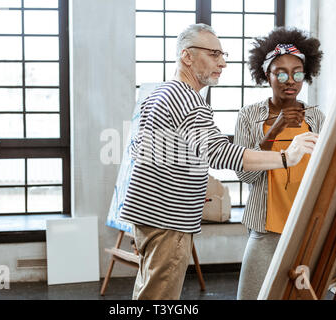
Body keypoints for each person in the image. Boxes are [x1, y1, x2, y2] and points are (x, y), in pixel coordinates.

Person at [119, 24, 319, 300]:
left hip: (147, 218)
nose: (223, 62)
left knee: (147, 293)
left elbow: (145, 153)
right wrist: (287, 157)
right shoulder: (189, 100)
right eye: (214, 54)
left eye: (222, 54)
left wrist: (189, 184)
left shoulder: (157, 93)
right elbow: (221, 152)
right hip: (168, 222)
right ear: (187, 57)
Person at [234, 27, 325, 300]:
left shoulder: (316, 117)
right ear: (267, 75)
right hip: (267, 230)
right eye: (281, 73)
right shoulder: (249, 116)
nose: (290, 81)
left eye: (297, 73)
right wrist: (275, 129)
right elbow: (244, 175)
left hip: (306, 229)